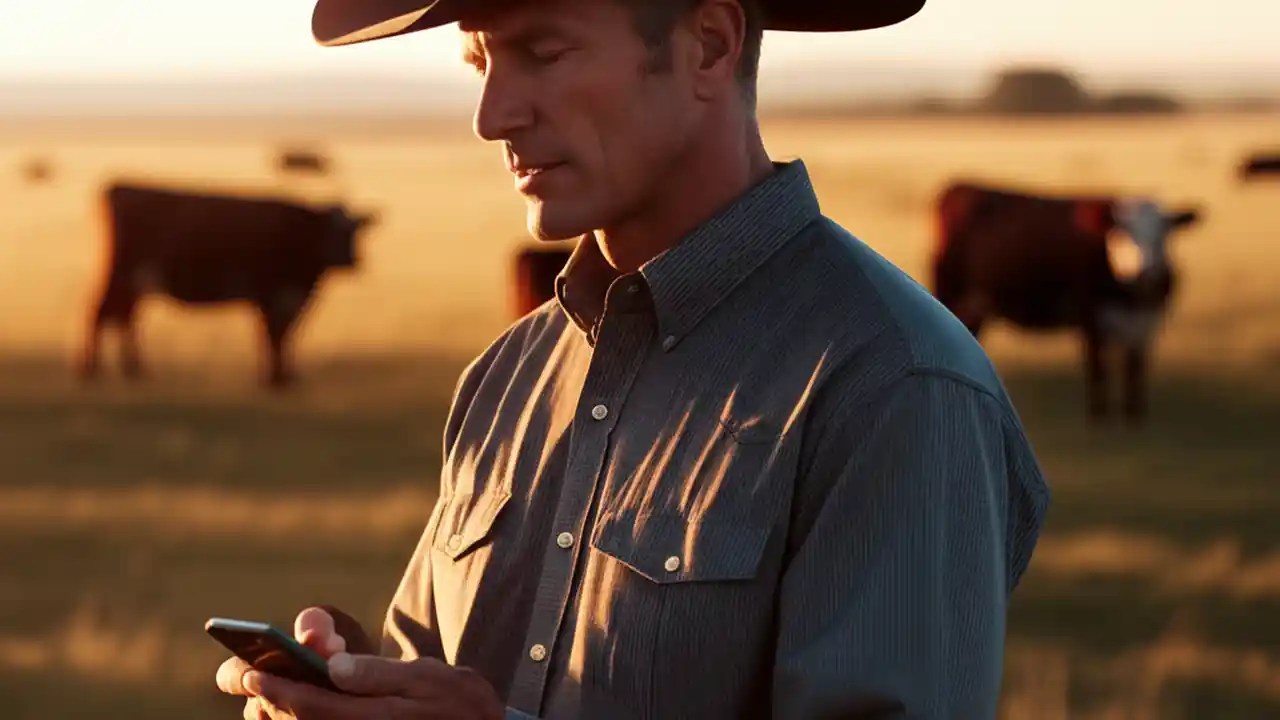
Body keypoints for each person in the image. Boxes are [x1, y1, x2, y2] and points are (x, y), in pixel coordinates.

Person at [216, 0, 1052, 717]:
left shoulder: (894, 385)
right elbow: (433, 661)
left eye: (543, 54)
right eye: (479, 61)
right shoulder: (508, 376)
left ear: (710, 45)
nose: (492, 114)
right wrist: (352, 685)